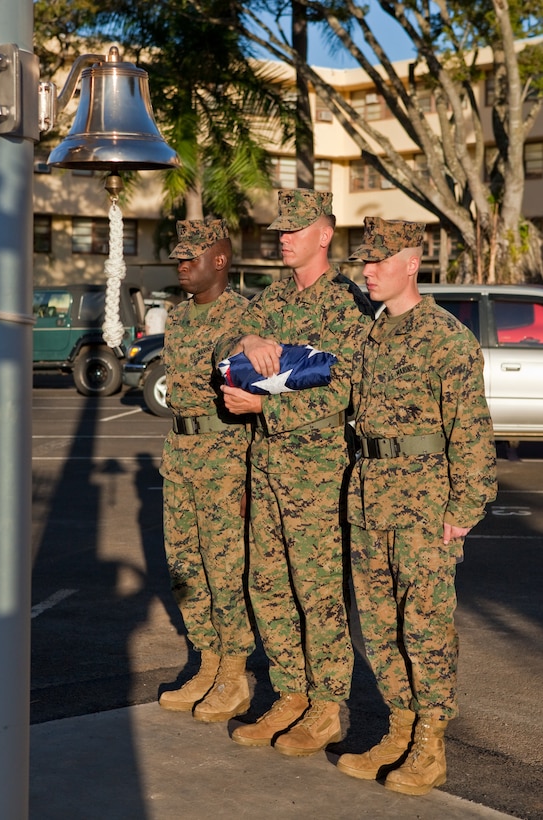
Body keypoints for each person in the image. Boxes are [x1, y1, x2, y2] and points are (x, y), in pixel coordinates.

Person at [337, 216, 498, 794]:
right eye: (365, 261)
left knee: (425, 626)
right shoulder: (370, 334)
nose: (368, 271)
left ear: (412, 264)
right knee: (380, 627)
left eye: (380, 261)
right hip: (369, 495)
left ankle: (431, 744)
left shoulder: (447, 339)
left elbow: (472, 435)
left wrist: (464, 508)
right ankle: (399, 726)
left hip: (423, 504)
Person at [214, 189, 373, 756]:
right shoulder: (273, 294)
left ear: (324, 234)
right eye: (280, 230)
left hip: (318, 472)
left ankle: (326, 706)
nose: (283, 238)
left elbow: (348, 385)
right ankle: (290, 694)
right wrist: (250, 339)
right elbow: (231, 339)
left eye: (295, 229)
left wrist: (268, 408)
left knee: (318, 590)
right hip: (266, 467)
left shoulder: (347, 303)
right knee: (268, 583)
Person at [158, 218, 255, 723]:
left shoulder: (244, 318)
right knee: (183, 564)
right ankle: (208, 659)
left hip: (224, 457)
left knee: (225, 567)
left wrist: (247, 479)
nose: (181, 264)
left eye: (190, 257)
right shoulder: (176, 318)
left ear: (219, 260)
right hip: (180, 453)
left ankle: (234, 673)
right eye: (178, 256)